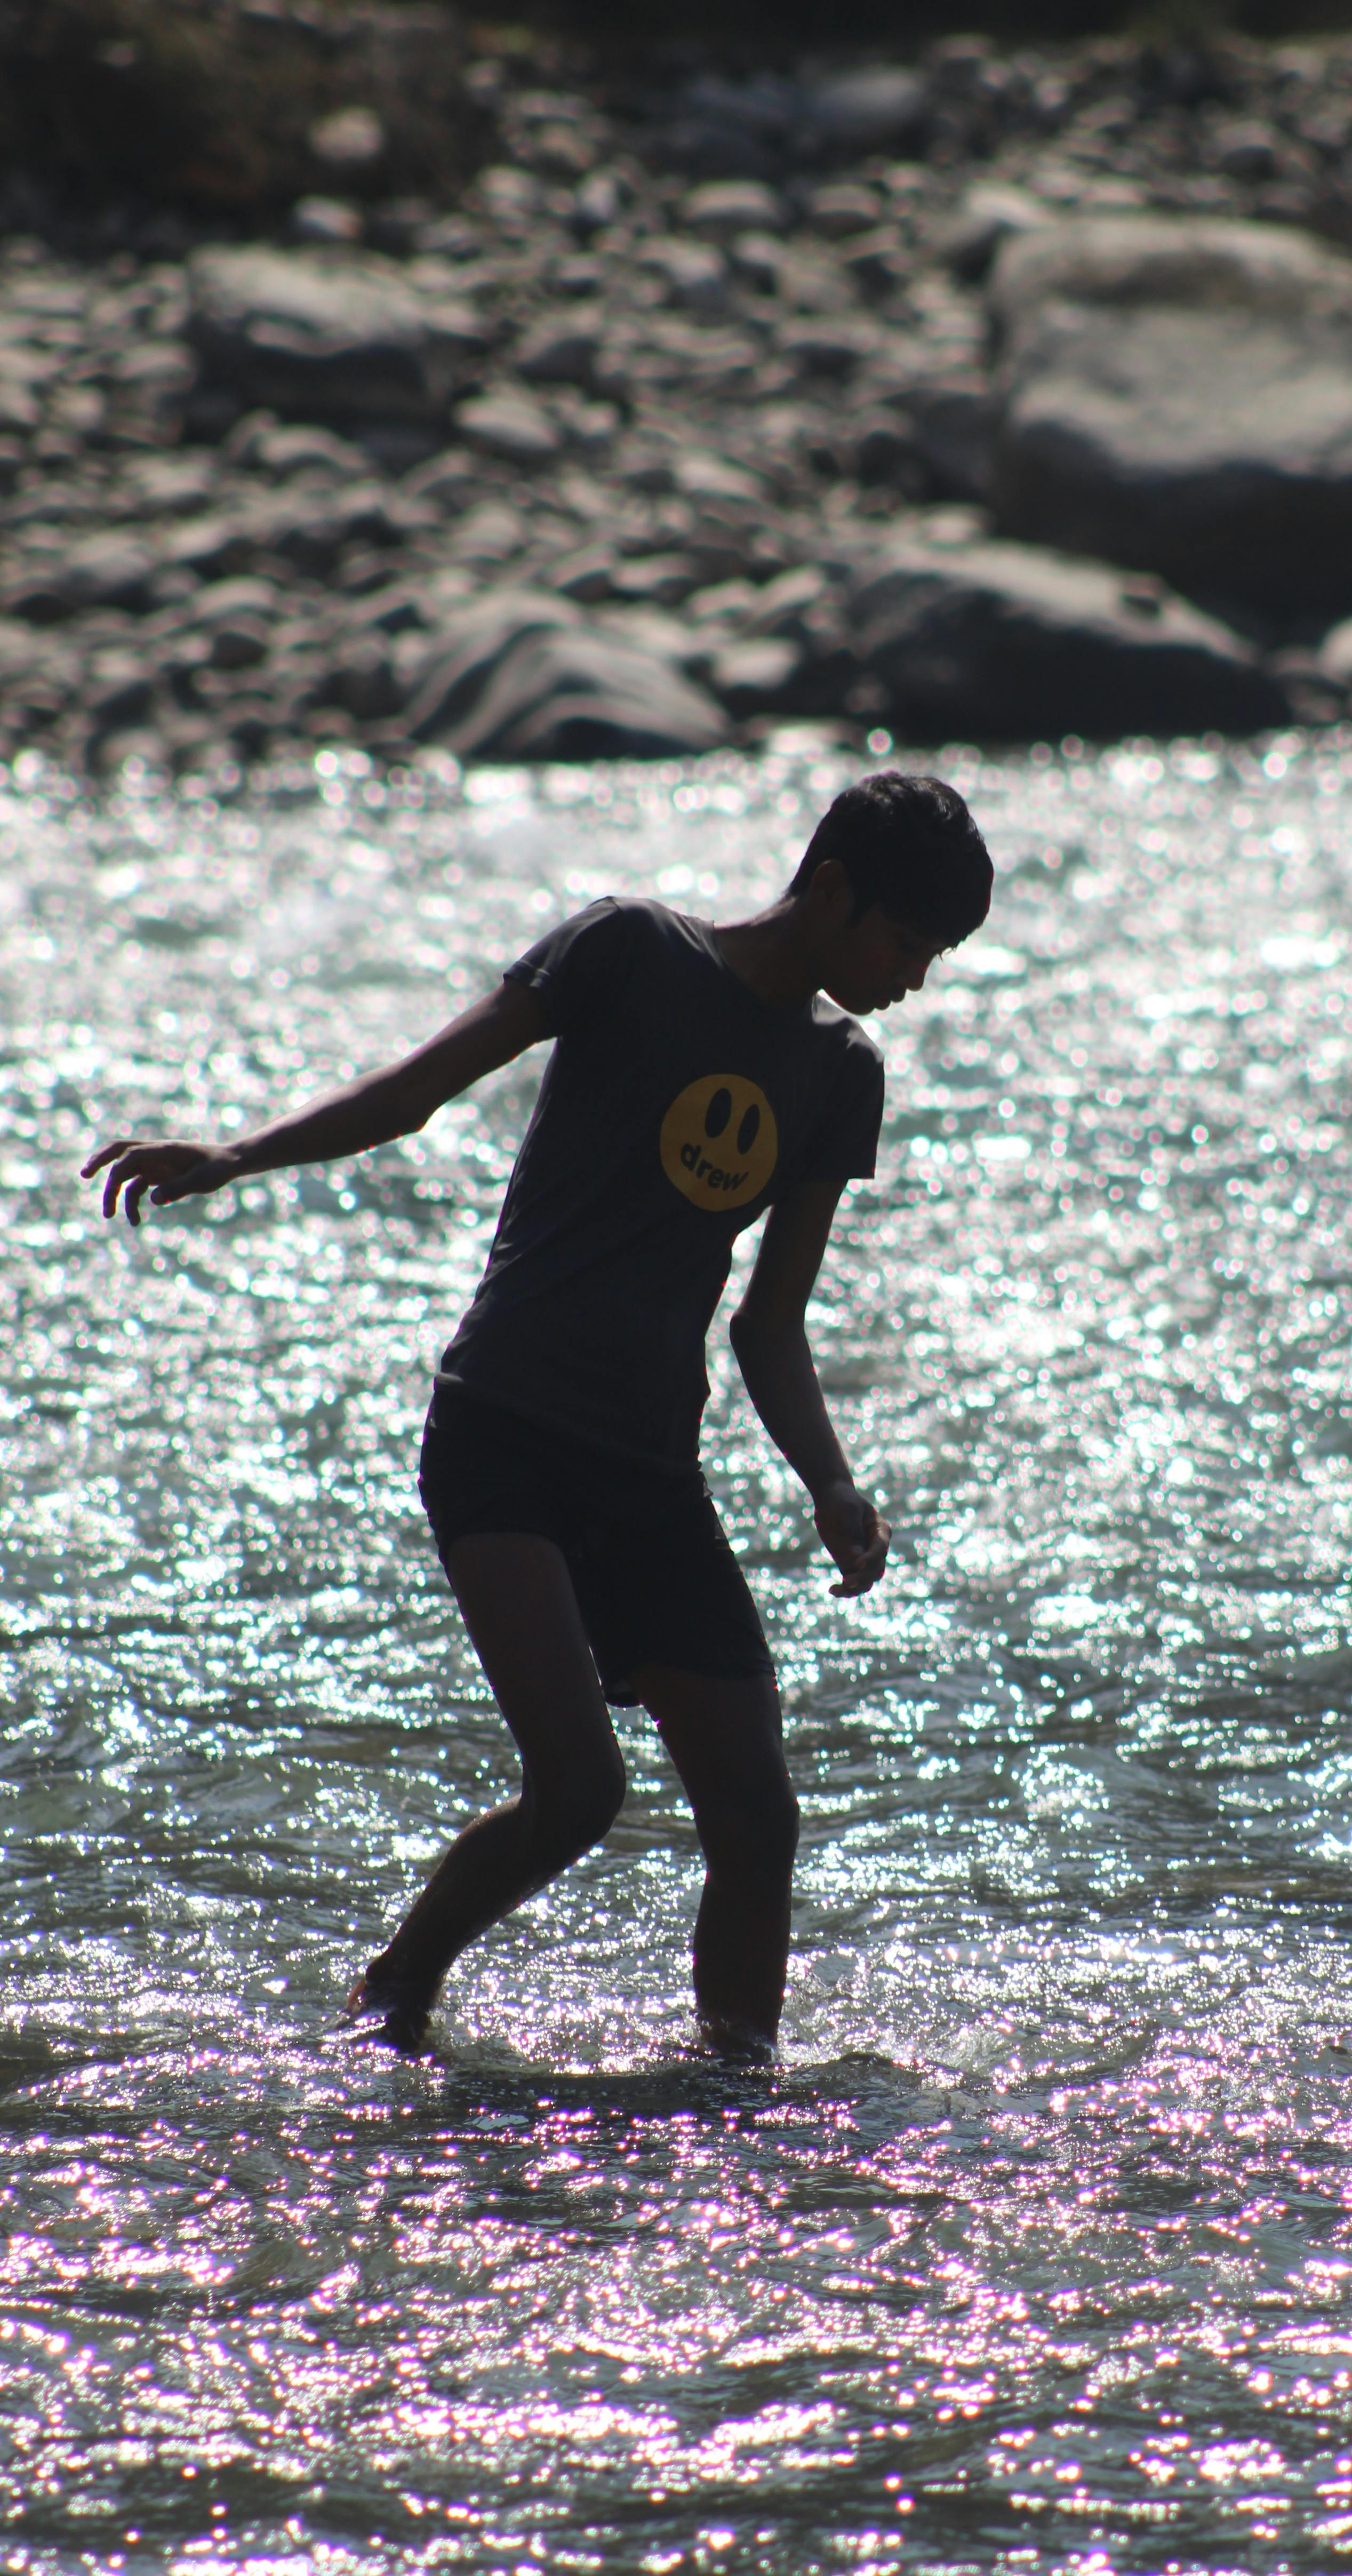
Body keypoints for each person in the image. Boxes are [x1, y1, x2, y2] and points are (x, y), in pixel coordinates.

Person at [84, 769, 993, 2061]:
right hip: (505, 1428)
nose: (914, 978)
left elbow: (769, 1323)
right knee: (579, 1790)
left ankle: (738, 2087)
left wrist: (830, 1482)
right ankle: (391, 2001)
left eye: (934, 957)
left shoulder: (841, 1075)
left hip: (650, 1471)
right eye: (906, 944)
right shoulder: (629, 949)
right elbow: (419, 1090)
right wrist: (237, 1155)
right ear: (834, 889)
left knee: (758, 1815)